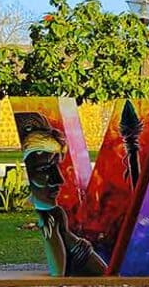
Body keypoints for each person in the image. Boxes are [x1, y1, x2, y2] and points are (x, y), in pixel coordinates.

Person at [18, 113, 107, 277]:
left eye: (56, 167)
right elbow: (58, 272)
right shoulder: (51, 217)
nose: (59, 180)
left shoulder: (56, 215)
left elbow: (59, 271)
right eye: (45, 169)